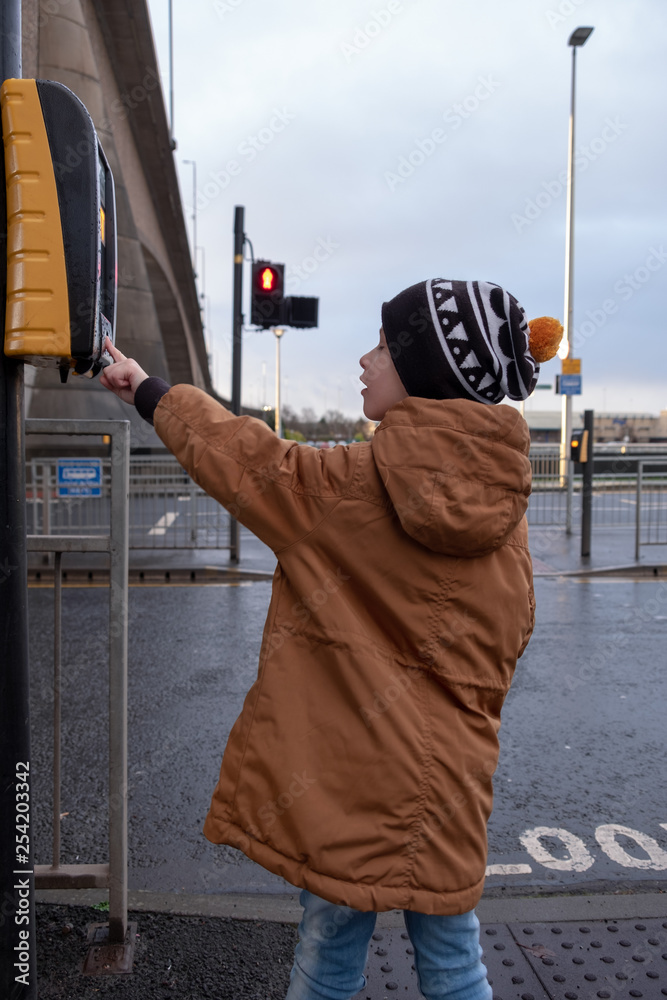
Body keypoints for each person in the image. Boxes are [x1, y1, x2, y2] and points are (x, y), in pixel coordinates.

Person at [100, 278, 562, 1000]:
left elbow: (243, 459)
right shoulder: (507, 509)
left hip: (345, 788)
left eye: (382, 345)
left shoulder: (345, 485)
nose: (364, 359)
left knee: (326, 958)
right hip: (449, 787)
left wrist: (151, 392)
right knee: (452, 958)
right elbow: (513, 633)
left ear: (423, 371)